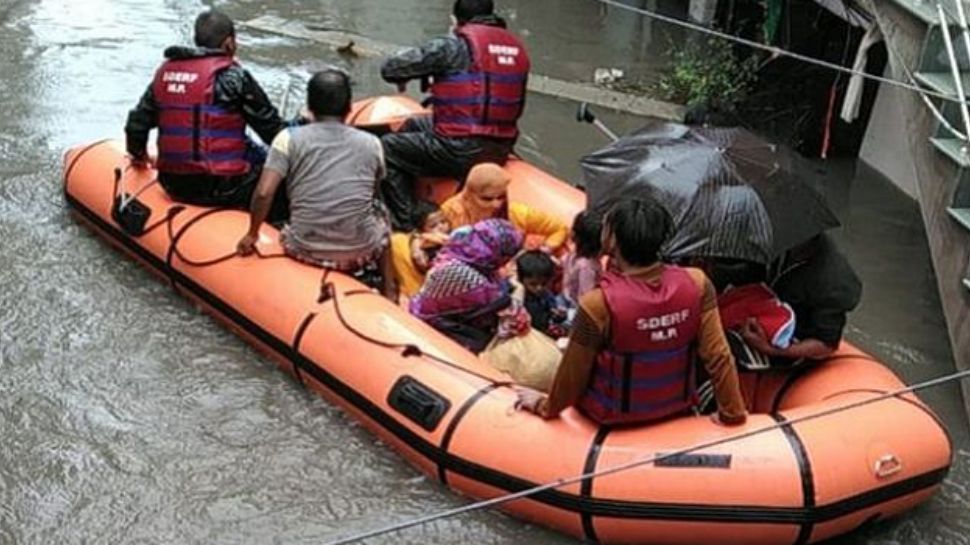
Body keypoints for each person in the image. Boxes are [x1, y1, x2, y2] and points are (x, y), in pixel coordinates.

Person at [517, 199, 747, 427]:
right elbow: (718, 355)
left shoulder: (597, 304)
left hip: (611, 417)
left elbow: (572, 376)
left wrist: (544, 405)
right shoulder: (698, 283)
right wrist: (732, 412)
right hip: (677, 408)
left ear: (613, 240)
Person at [236, 69, 395, 299]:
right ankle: (390, 288)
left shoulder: (288, 139)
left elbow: (263, 193)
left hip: (303, 248)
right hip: (361, 251)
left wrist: (252, 234)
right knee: (381, 211)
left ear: (309, 106)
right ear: (349, 107)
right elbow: (371, 192)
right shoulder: (373, 144)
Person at [379, 0, 531, 231]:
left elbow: (391, 69)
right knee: (413, 124)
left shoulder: (451, 46)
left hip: (458, 149)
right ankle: (420, 198)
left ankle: (407, 225)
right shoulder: (516, 48)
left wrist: (419, 71)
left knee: (387, 147)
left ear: (456, 20)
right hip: (500, 148)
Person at [125, 10, 290, 218]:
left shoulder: (165, 74)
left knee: (251, 149)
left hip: (172, 184)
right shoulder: (235, 77)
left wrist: (139, 155)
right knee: (283, 181)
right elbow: (274, 134)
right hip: (225, 186)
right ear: (229, 43)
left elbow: (136, 125)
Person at [741, 233, 861, 362]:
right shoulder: (778, 245)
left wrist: (771, 350)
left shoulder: (833, 280)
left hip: (792, 340)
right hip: (765, 310)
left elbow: (826, 344)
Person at [409, 219, 523, 353]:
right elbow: (503, 306)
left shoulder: (462, 242)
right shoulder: (464, 275)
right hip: (435, 323)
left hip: (434, 303)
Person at [440, 163, 568, 251]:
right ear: (470, 194)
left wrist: (546, 249)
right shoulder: (450, 212)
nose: (496, 204)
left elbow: (559, 228)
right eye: (487, 199)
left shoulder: (517, 214)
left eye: (501, 197)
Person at [390, 200, 452, 297]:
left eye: (443, 221)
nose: (441, 227)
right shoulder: (425, 246)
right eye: (433, 226)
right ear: (420, 230)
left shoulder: (448, 237)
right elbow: (422, 264)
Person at [516, 250, 571, 339]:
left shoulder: (547, 295)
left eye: (544, 284)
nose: (539, 288)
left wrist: (558, 316)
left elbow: (552, 312)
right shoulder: (519, 299)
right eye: (533, 284)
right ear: (521, 280)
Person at [561, 211, 603, 304]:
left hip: (569, 300)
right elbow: (586, 296)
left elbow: (585, 296)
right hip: (569, 300)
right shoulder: (584, 263)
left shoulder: (583, 262)